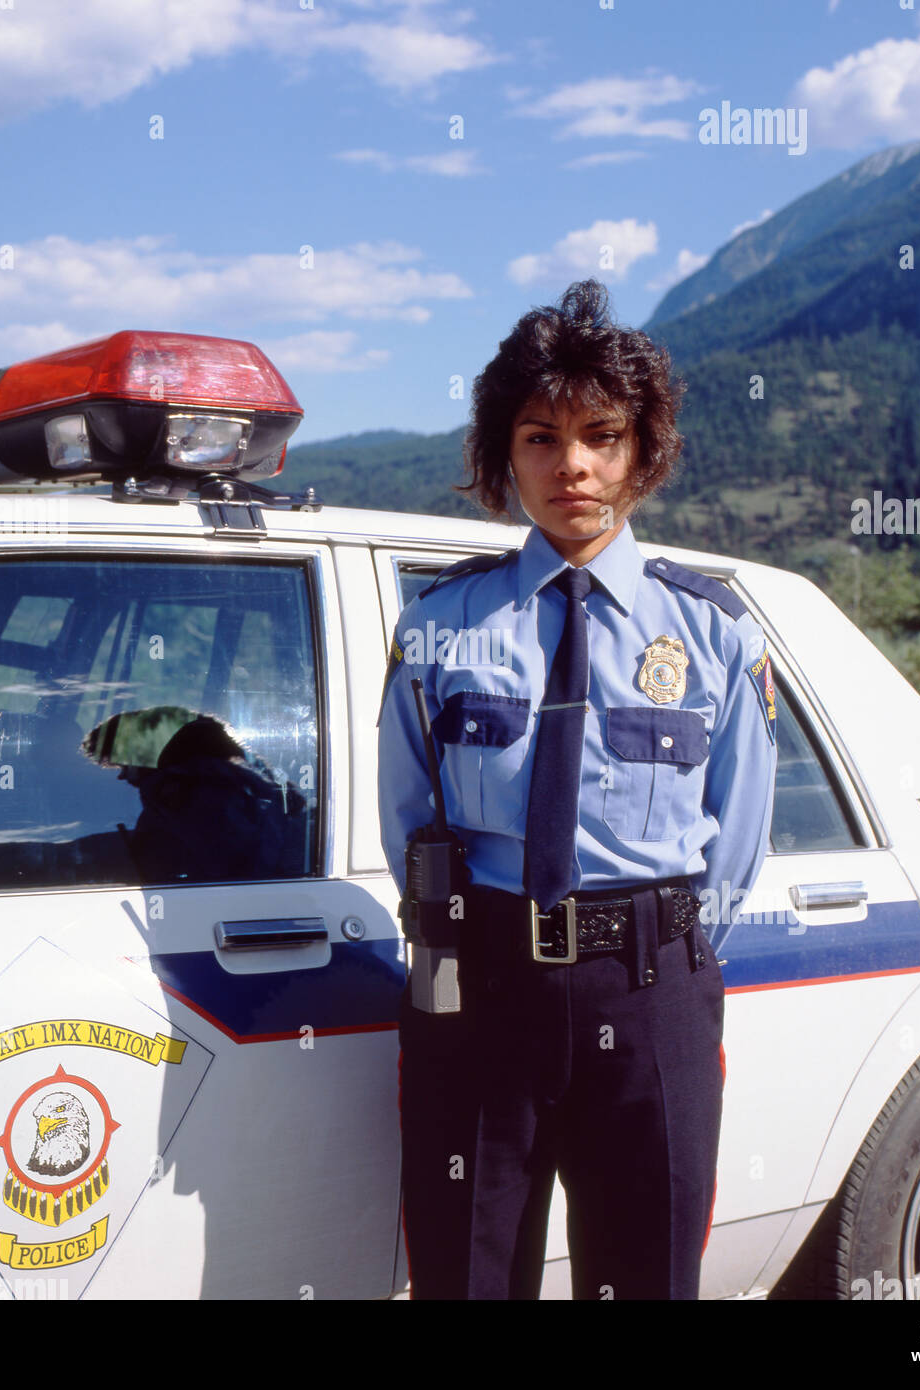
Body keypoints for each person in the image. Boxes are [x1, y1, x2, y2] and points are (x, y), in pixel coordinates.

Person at [377, 279, 777, 1300]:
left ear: (642, 449)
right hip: (481, 990)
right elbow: (406, 815)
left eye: (602, 435)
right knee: (466, 1278)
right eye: (540, 438)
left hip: (649, 996)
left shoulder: (713, 631)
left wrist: (658, 952)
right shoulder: (442, 625)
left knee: (644, 1280)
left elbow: (738, 835)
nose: (574, 467)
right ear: (501, 455)